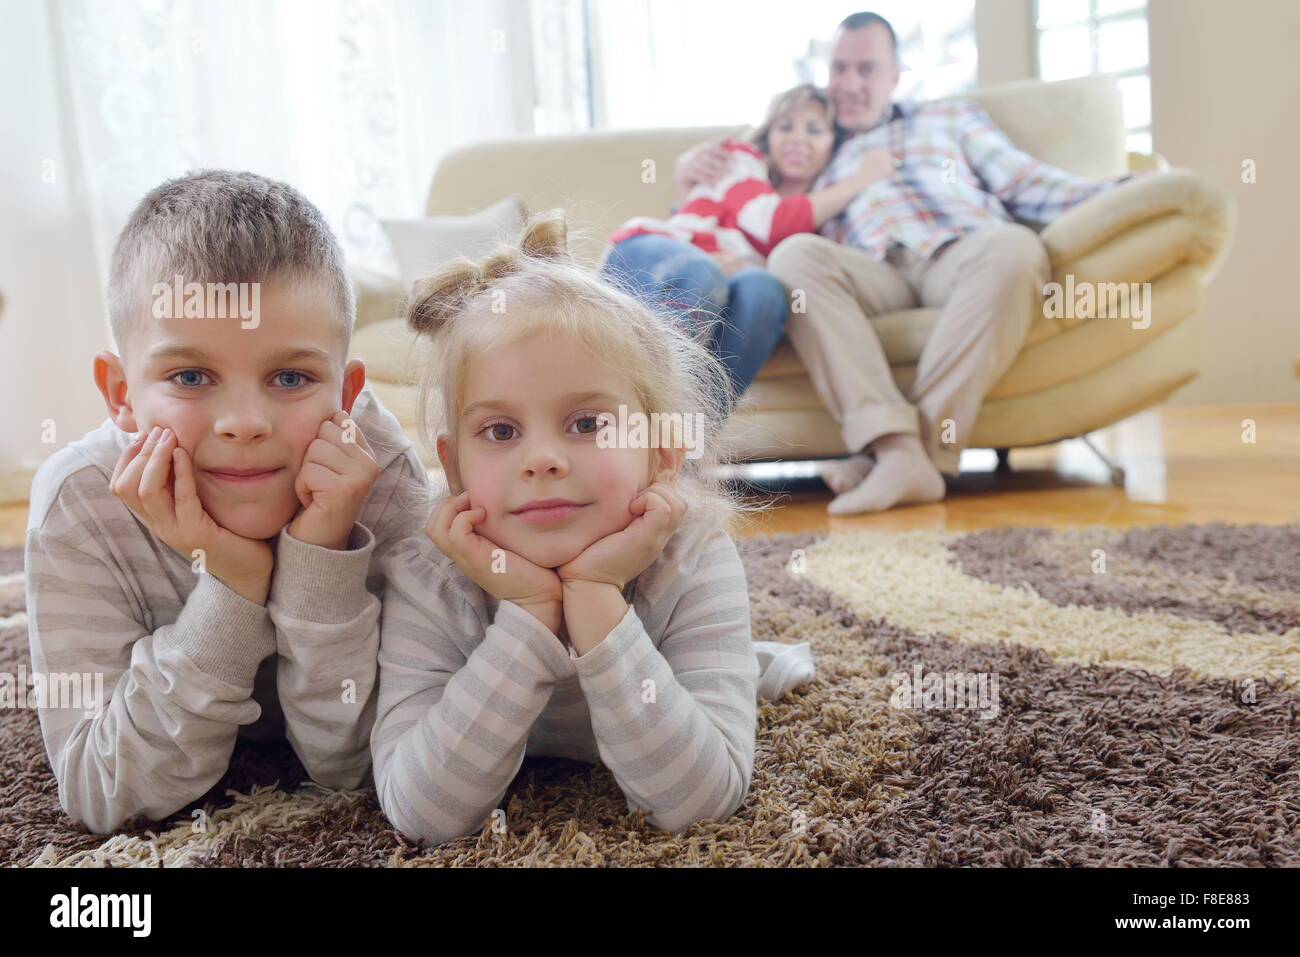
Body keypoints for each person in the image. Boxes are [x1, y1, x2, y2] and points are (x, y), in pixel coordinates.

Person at [370, 210, 814, 846]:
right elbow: (422, 814)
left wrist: (596, 596)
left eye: (586, 424)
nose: (542, 459)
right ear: (454, 468)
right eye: (500, 431)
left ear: (662, 453)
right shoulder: (428, 569)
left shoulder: (691, 553)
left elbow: (700, 803)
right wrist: (527, 612)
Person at [24, 170, 431, 833]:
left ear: (347, 392)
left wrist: (319, 559)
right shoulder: (79, 503)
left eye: (291, 377)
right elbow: (103, 790)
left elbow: (365, 764)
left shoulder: (381, 474)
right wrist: (233, 584)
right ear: (120, 394)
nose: (245, 422)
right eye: (191, 376)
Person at [676, 11, 1137, 514]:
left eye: (866, 70)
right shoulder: (814, 139)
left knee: (1016, 248)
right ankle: (898, 452)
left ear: (895, 76)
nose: (849, 84)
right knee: (794, 256)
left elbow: (1026, 183)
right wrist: (690, 167)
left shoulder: (948, 118)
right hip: (867, 272)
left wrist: (1118, 193)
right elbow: (751, 191)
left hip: (962, 251)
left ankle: (911, 458)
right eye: (840, 69)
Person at [603, 84, 886, 406]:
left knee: (764, 292)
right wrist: (862, 180)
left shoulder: (824, 216)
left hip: (718, 282)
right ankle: (643, 415)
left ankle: (687, 441)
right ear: (769, 134)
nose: (798, 138)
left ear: (835, 142)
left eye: (815, 129)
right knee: (701, 272)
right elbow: (771, 222)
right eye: (785, 126)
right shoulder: (739, 159)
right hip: (650, 255)